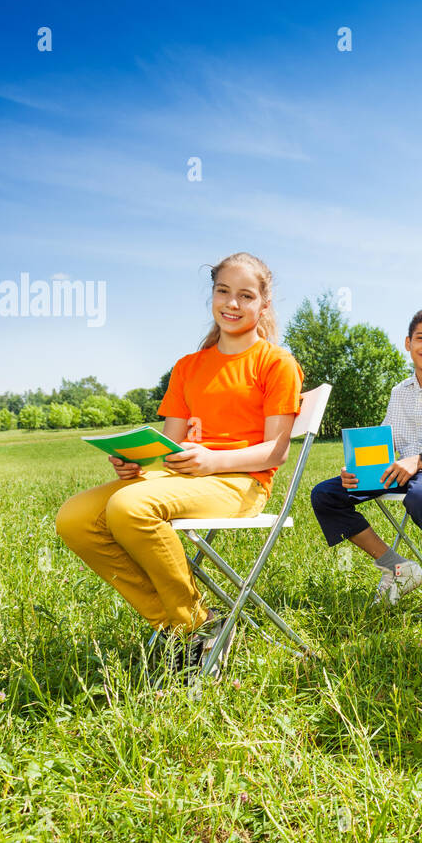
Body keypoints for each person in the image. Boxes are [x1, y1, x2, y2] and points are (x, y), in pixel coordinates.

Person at [55, 252, 303, 672]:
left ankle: (192, 631)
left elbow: (275, 450)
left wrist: (213, 461)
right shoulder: (189, 366)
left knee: (131, 507)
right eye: (223, 291)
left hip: (241, 482)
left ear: (264, 305)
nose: (232, 304)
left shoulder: (275, 363)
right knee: (74, 518)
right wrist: (138, 463)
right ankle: (184, 621)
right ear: (213, 295)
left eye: (245, 295)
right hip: (181, 475)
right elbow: (167, 443)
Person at [309, 307, 422, 609]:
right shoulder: (399, 391)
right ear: (408, 343)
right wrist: (356, 469)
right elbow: (385, 444)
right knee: (326, 494)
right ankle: (397, 567)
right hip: (405, 469)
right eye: (421, 338)